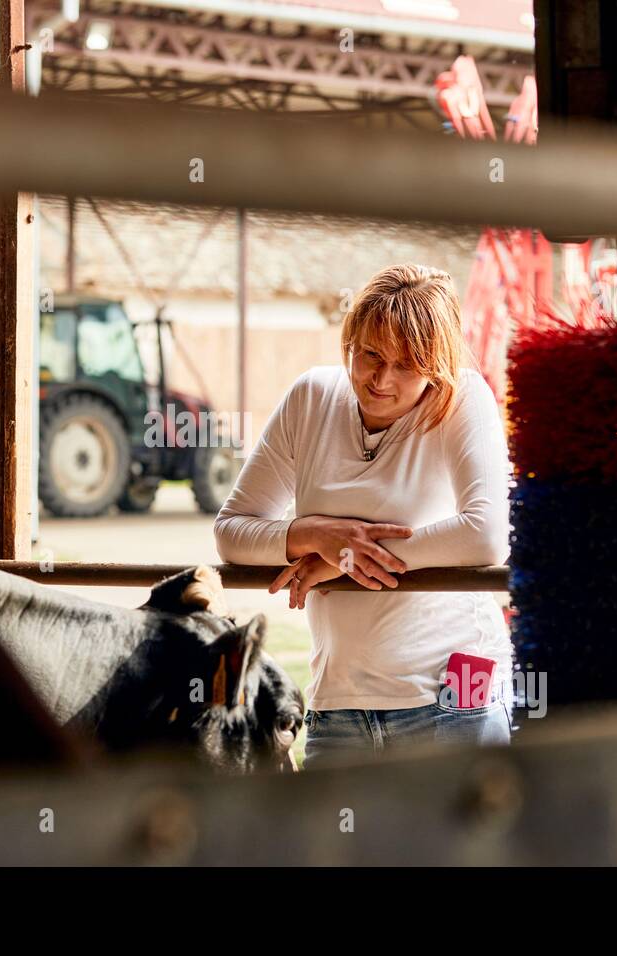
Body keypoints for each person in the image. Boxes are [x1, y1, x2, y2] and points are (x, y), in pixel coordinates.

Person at [213, 264, 513, 767]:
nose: (380, 379)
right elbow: (232, 533)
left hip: (461, 687)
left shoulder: (463, 398)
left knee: (466, 845)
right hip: (341, 700)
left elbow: (486, 535)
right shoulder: (312, 397)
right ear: (349, 339)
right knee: (335, 846)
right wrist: (313, 534)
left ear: (436, 365)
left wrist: (346, 559)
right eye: (370, 354)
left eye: (407, 364)